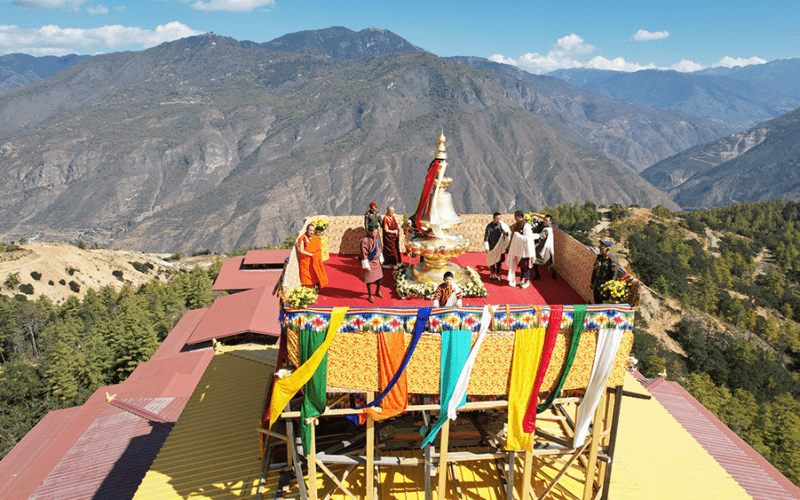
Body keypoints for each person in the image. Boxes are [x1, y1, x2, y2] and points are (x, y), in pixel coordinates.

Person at [506, 210, 536, 288]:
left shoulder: (526, 226)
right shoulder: (518, 224)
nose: (514, 218)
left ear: (520, 217)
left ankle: (527, 281)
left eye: (515, 217)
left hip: (526, 250)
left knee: (526, 266)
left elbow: (527, 239)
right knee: (521, 265)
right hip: (520, 250)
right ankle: (521, 280)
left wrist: (517, 235)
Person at [296, 224, 328, 290]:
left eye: (313, 230)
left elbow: (319, 250)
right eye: (310, 230)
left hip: (314, 260)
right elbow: (301, 251)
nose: (311, 232)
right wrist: (311, 255)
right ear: (307, 230)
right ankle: (308, 288)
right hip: (305, 260)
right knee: (307, 275)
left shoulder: (315, 238)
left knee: (314, 273)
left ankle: (315, 286)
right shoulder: (303, 238)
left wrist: (315, 255)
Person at [360, 225, 384, 303]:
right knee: (369, 279)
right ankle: (370, 295)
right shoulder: (365, 240)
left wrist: (381, 258)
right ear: (370, 232)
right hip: (370, 262)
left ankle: (378, 290)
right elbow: (364, 254)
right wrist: (366, 265)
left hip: (377, 261)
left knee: (379, 277)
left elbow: (379, 249)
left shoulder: (377, 239)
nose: (376, 233)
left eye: (376, 232)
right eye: (374, 232)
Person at [484, 212, 510, 281]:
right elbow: (486, 237)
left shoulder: (503, 226)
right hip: (492, 246)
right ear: (493, 218)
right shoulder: (489, 226)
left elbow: (508, 234)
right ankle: (492, 274)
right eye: (496, 219)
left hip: (500, 247)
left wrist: (506, 233)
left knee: (499, 262)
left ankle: (499, 275)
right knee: (492, 262)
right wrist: (487, 247)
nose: (498, 220)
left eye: (499, 218)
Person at [532, 214, 557, 280]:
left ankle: (539, 275)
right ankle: (539, 275)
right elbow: (539, 221)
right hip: (545, 247)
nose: (544, 221)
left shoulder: (546, 229)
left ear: (550, 222)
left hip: (543, 248)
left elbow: (541, 236)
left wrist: (531, 235)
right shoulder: (548, 227)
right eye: (544, 219)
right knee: (548, 263)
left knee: (535, 261)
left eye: (546, 220)